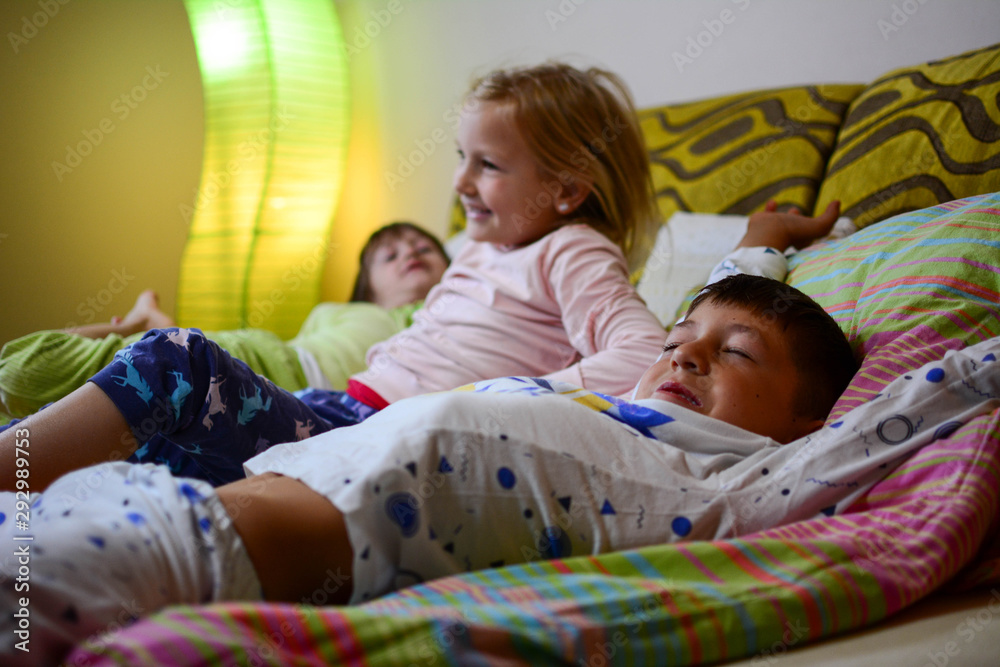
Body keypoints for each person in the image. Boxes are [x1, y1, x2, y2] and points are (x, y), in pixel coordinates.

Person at [18, 221, 1000, 665]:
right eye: (680, 342)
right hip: (133, 498)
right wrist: (750, 256)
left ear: (803, 425)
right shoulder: (629, 406)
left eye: (732, 353)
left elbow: (919, 398)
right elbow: (698, 316)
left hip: (190, 551)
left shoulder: (734, 482)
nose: (686, 356)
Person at [0, 61, 690, 490]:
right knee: (150, 448)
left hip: (384, 434)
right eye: (461, 156)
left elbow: (640, 356)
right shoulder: (482, 247)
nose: (459, 181)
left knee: (175, 362)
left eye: (488, 165)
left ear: (567, 190)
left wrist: (501, 396)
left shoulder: (571, 249)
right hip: (346, 411)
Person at [0, 222, 449, 419]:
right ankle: (137, 322)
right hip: (264, 357)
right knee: (20, 369)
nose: (410, 253)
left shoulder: (438, 311)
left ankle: (147, 323)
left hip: (294, 397)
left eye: (425, 248)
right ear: (367, 286)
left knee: (69, 403)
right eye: (391, 255)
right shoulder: (338, 312)